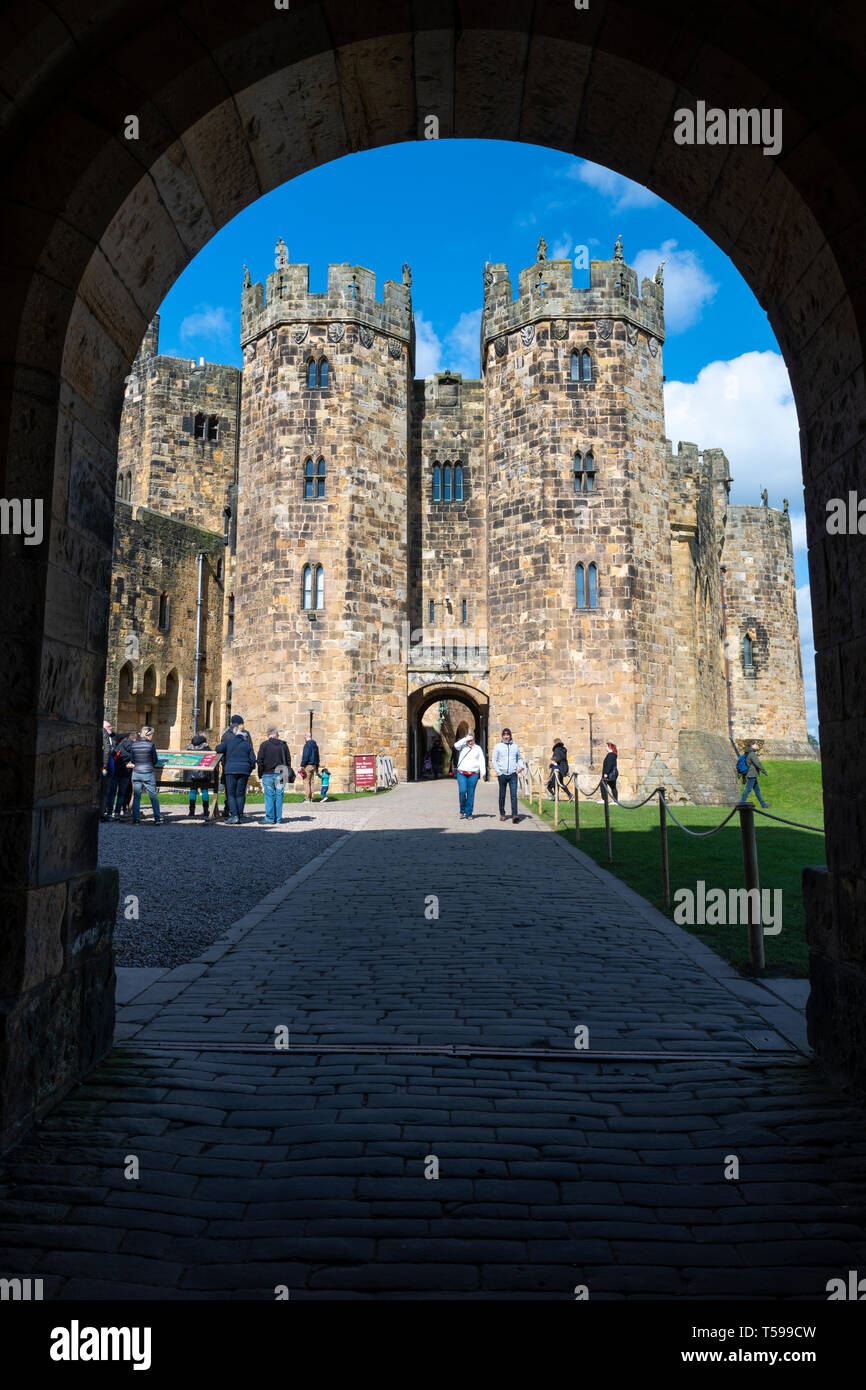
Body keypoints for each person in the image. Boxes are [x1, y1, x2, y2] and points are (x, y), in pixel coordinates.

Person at [216, 718, 256, 823]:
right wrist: (249, 769)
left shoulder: (229, 742)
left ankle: (234, 815)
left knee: (231, 793)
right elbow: (253, 759)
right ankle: (240, 815)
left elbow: (218, 749)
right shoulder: (247, 745)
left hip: (230, 770)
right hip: (244, 771)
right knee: (240, 794)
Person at [127, 725, 163, 824]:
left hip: (136, 773)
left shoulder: (134, 745)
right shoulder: (151, 745)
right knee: (153, 796)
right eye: (151, 734)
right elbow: (155, 760)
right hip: (148, 773)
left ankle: (136, 820)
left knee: (137, 797)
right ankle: (157, 819)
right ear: (147, 735)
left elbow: (132, 759)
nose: (152, 736)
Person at [257, 726, 292, 824]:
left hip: (268, 773)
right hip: (281, 773)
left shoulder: (264, 745)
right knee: (279, 796)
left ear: (269, 735)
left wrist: (260, 773)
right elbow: (288, 760)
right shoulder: (283, 745)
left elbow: (260, 760)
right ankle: (278, 819)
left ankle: (270, 818)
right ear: (275, 734)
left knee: (269, 796)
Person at [491, 726, 525, 823]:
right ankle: (502, 814)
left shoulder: (515, 746)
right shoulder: (498, 746)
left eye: (508, 735)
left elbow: (519, 758)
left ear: (510, 736)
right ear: (502, 736)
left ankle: (515, 815)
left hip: (513, 774)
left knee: (513, 795)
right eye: (504, 735)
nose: (506, 737)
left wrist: (520, 768)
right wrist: (498, 772)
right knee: (502, 795)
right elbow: (494, 759)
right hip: (502, 774)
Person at [453, 732, 486, 820]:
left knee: (471, 793)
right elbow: (455, 745)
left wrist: (483, 771)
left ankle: (469, 813)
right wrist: (465, 739)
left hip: (473, 773)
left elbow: (481, 759)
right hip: (462, 773)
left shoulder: (478, 748)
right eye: (469, 740)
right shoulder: (462, 746)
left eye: (472, 740)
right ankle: (462, 810)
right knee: (462, 791)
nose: (470, 742)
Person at [218, 714, 245, 817]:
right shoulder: (244, 735)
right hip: (241, 766)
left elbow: (220, 750)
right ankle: (238, 812)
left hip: (228, 765)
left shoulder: (225, 735)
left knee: (229, 790)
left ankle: (227, 809)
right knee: (239, 791)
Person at [187, 731, 212, 819]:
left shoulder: (190, 748)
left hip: (192, 773)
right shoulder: (206, 748)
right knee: (204, 790)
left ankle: (191, 811)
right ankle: (206, 810)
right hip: (203, 772)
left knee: (193, 790)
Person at [111, 730, 135, 819]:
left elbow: (114, 755)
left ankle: (110, 812)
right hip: (125, 773)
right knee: (121, 794)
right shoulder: (134, 748)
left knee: (112, 793)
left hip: (116, 771)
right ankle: (117, 812)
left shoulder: (120, 745)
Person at [739, 740, 770, 808]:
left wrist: (744, 776)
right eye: (756, 744)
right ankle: (740, 804)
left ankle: (763, 805)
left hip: (752, 774)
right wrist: (764, 771)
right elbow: (758, 763)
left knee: (757, 791)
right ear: (752, 745)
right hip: (751, 774)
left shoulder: (748, 752)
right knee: (748, 790)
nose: (757, 745)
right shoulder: (752, 754)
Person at [100, 719, 117, 821]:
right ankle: (101, 814)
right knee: (103, 790)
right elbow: (107, 749)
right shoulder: (103, 732)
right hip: (104, 766)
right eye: (109, 727)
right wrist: (105, 765)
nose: (111, 728)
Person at [299, 733, 320, 803]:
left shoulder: (307, 745)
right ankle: (311, 798)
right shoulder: (315, 745)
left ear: (306, 737)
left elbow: (305, 756)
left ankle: (307, 798)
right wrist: (317, 766)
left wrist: (302, 766)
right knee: (311, 782)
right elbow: (317, 756)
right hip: (314, 765)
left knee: (306, 781)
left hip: (308, 765)